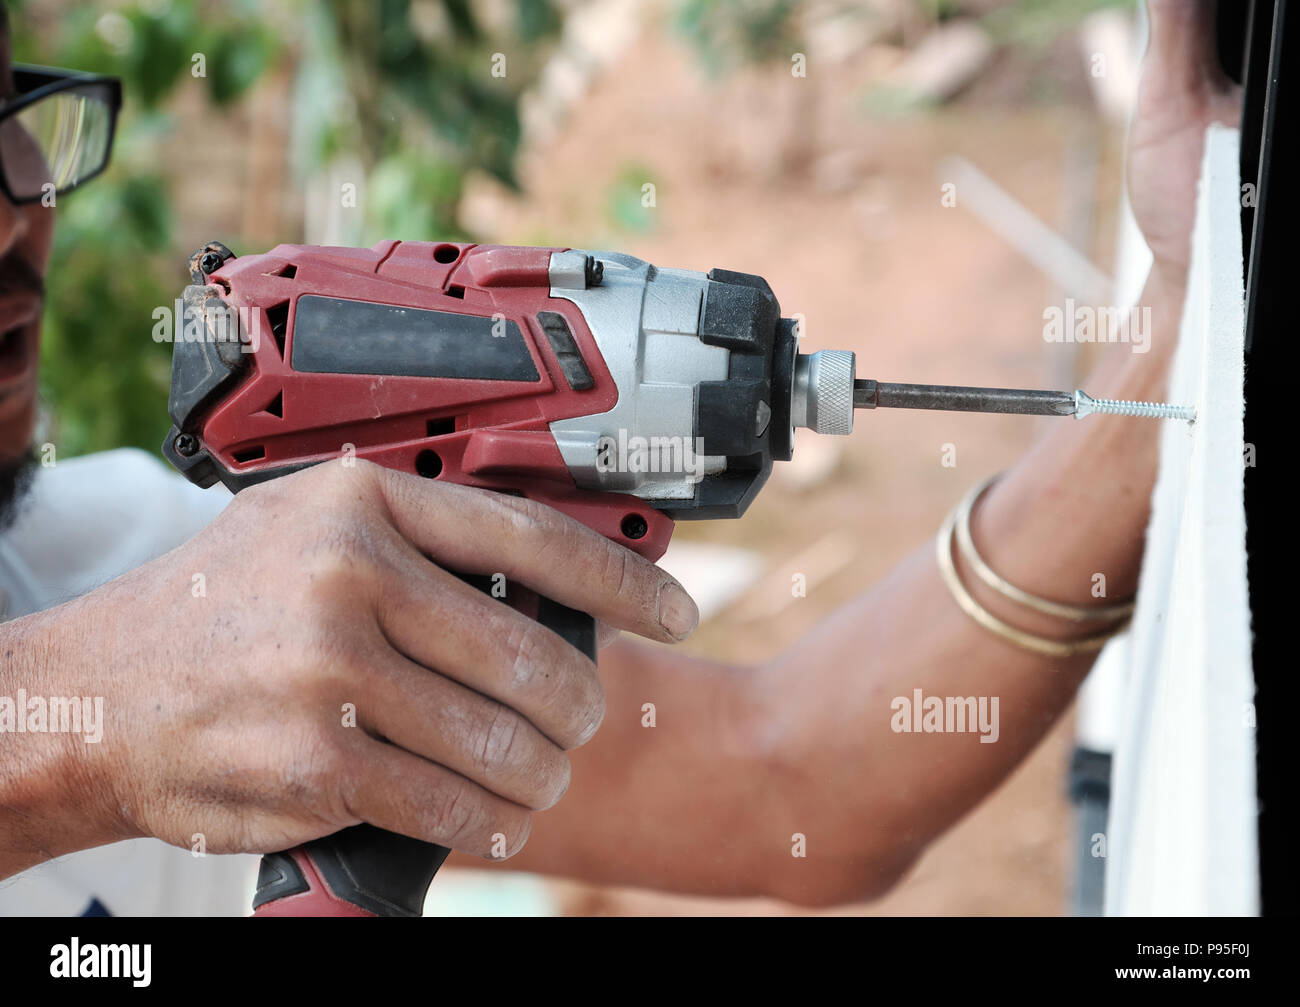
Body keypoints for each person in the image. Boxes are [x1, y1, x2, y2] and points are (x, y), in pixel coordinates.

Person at [0, 0, 1240, 914]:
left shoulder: (155, 576)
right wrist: (83, 726)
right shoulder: (141, 637)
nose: (16, 203)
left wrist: (1180, 317)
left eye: (13, 110)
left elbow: (785, 778)